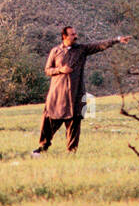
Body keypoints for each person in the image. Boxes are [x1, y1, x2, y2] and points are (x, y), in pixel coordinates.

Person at [32, 26, 129, 155]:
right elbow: (47, 70)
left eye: (75, 34)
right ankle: (43, 147)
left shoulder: (81, 50)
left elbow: (99, 45)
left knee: (74, 122)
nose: (75, 36)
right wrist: (60, 70)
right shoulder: (55, 51)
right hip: (57, 94)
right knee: (50, 120)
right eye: (72, 34)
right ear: (64, 36)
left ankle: (71, 151)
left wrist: (117, 39)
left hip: (75, 94)